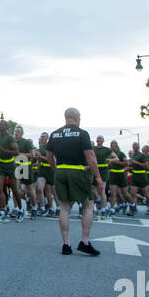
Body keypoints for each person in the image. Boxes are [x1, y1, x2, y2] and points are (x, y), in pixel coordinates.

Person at [48, 108, 103, 256]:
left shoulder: (55, 134)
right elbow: (90, 156)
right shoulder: (82, 133)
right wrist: (98, 177)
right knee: (87, 204)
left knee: (64, 207)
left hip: (60, 170)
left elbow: (49, 156)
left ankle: (66, 244)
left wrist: (56, 170)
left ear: (66, 117)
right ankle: (84, 241)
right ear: (76, 117)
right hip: (77, 171)